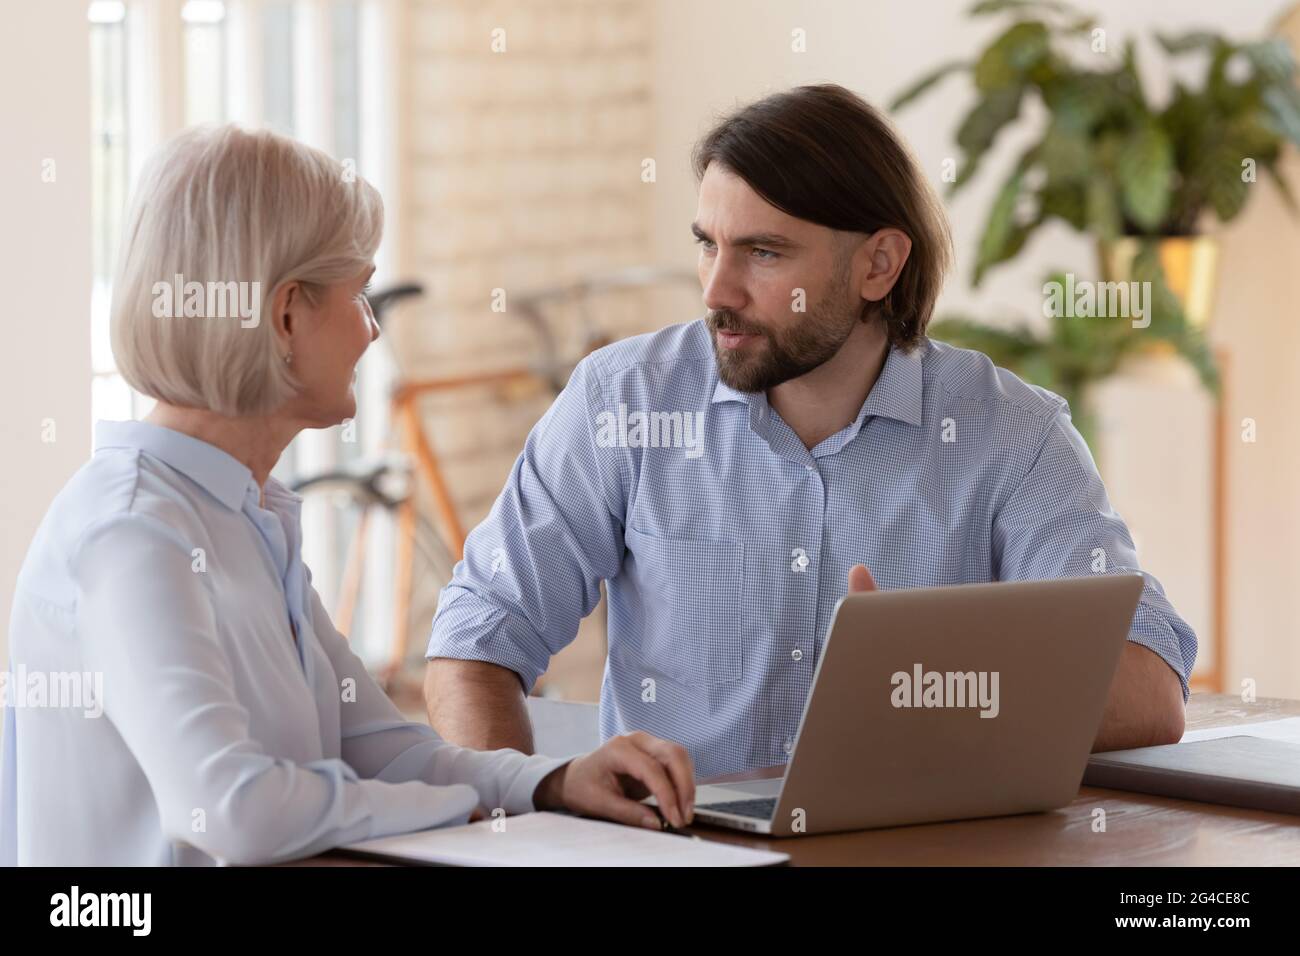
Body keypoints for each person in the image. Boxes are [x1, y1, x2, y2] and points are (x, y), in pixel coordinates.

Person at [424, 84, 1196, 778]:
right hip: (685, 858)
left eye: (764, 252)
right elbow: (474, 644)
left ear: (879, 265)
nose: (718, 290)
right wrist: (522, 814)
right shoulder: (623, 403)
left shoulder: (1011, 435)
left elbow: (1148, 688)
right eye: (707, 245)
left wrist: (931, 682)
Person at [0, 124, 693, 867]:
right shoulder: (133, 531)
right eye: (359, 294)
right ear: (286, 316)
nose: (370, 331)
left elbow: (384, 751)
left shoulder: (246, 518)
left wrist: (553, 782)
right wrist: (467, 811)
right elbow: (234, 810)